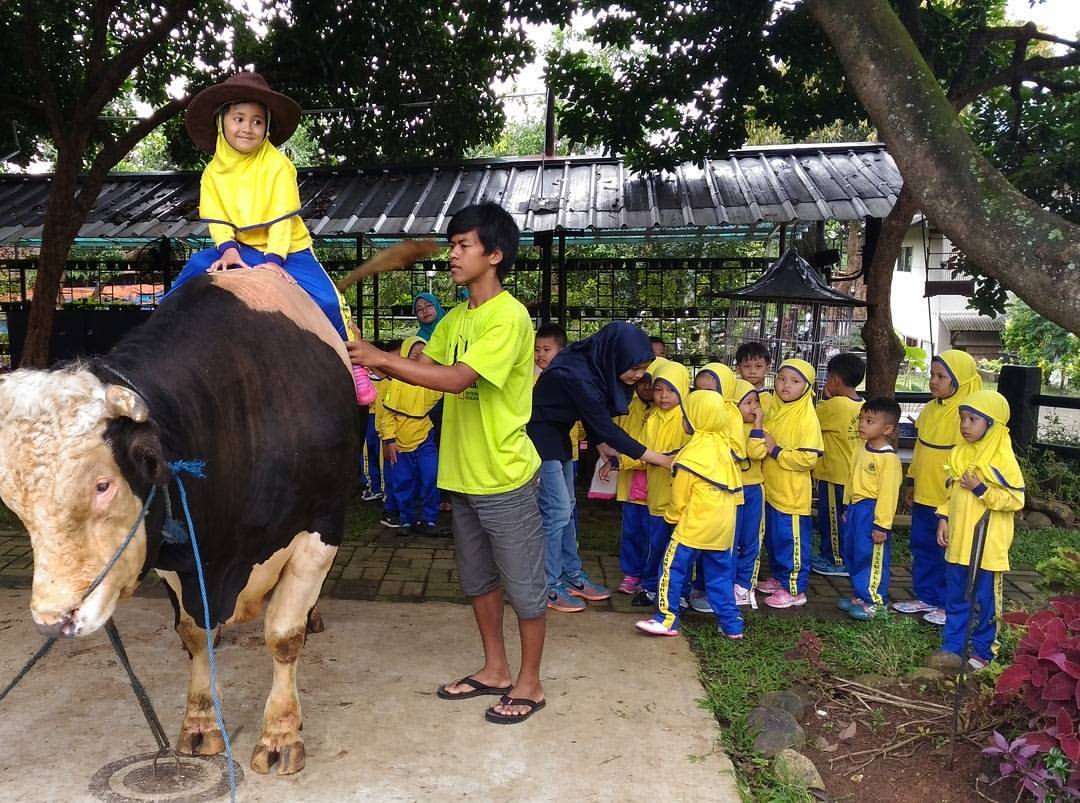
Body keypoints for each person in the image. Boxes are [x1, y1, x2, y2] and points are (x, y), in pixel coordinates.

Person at [347, 202, 546, 725]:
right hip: (460, 474)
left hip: (504, 474)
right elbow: (421, 371)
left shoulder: (510, 317)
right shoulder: (455, 317)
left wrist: (379, 358)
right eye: (451, 245)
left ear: (495, 255)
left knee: (524, 585)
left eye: (464, 246)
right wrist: (359, 350)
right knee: (479, 582)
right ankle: (496, 670)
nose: (453, 255)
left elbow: (458, 379)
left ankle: (530, 683)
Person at [169, 72, 358, 375]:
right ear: (222, 122)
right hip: (239, 248)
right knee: (187, 277)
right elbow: (219, 220)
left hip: (289, 250)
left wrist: (274, 261)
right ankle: (158, 337)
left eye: (257, 122)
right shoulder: (212, 173)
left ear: (267, 128)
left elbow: (282, 222)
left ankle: (354, 364)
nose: (247, 128)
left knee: (328, 300)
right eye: (239, 119)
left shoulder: (278, 166)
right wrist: (228, 251)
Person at [529, 322, 672, 612]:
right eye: (635, 367)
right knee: (556, 512)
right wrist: (662, 459)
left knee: (567, 509)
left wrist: (601, 446)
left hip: (558, 433)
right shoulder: (577, 374)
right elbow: (605, 426)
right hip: (537, 436)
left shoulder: (593, 364)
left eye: (644, 367)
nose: (639, 375)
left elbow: (588, 414)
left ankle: (571, 575)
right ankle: (548, 585)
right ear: (617, 356)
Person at [928, 390, 1024, 672]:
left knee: (986, 602)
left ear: (992, 424)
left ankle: (984, 651)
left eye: (973, 419)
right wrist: (944, 518)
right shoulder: (959, 453)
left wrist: (982, 490)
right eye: (962, 418)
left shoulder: (1001, 459)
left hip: (987, 547)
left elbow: (1016, 499)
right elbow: (951, 492)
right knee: (956, 597)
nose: (965, 425)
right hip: (959, 544)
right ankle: (952, 648)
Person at [635, 391, 744, 639]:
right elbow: (736, 490)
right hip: (722, 529)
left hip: (693, 527)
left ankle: (666, 619)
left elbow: (680, 497)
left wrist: (672, 520)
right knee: (720, 577)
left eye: (686, 415)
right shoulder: (724, 448)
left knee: (672, 570)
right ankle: (731, 624)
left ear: (696, 418)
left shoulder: (690, 455)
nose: (683, 420)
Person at [894, 350, 982, 626]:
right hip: (924, 493)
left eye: (941, 377)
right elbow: (922, 450)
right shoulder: (930, 409)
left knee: (950, 550)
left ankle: (949, 603)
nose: (933, 382)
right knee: (923, 546)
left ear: (961, 379)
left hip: (951, 498)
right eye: (932, 375)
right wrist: (912, 481)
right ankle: (926, 596)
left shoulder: (969, 415)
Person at [621, 360, 691, 608]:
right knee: (655, 545)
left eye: (671, 390)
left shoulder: (687, 419)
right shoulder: (651, 419)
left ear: (683, 389)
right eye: (659, 389)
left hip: (681, 500)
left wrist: (657, 457)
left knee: (681, 549)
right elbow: (640, 451)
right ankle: (651, 587)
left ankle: (680, 592)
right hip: (656, 497)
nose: (663, 396)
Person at [758, 358, 824, 609]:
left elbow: (809, 457)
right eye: (782, 378)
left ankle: (795, 589)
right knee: (774, 539)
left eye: (795, 381)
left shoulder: (806, 417)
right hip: (772, 490)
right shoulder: (775, 408)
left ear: (807, 387)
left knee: (792, 541)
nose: (786, 386)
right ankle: (780, 578)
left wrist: (776, 451)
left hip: (792, 494)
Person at [685, 362, 747, 613]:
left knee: (722, 548)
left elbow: (738, 451)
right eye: (698, 391)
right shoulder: (696, 412)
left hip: (725, 495)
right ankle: (700, 586)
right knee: (700, 543)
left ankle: (717, 595)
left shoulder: (730, 414)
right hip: (700, 494)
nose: (703, 398)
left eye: (710, 392)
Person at [837, 397, 903, 620]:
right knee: (854, 552)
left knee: (871, 556)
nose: (862, 425)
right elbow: (851, 478)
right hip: (856, 508)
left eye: (869, 421)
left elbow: (889, 494)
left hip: (873, 512)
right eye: (862, 419)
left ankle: (875, 601)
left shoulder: (889, 460)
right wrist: (847, 505)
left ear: (887, 429)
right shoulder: (860, 448)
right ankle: (860, 595)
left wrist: (881, 525)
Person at [381, 337, 443, 536]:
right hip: (399, 443)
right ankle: (406, 519)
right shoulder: (396, 383)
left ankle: (429, 519)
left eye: (422, 352)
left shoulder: (430, 381)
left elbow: (442, 389)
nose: (417, 354)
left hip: (424, 438)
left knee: (430, 476)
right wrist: (389, 440)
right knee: (402, 482)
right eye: (413, 351)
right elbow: (387, 415)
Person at [811, 353, 865, 577]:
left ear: (834, 379)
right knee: (845, 519)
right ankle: (843, 555)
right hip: (852, 474)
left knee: (831, 519)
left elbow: (812, 419)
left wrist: (825, 399)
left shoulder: (834, 406)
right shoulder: (862, 403)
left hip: (834, 474)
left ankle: (835, 559)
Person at [612, 369, 655, 595]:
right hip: (631, 486)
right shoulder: (628, 406)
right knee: (631, 532)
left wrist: (623, 461)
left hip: (655, 488)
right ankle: (631, 574)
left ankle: (649, 576)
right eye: (642, 384)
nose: (647, 389)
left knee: (652, 534)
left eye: (652, 385)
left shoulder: (665, 413)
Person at [732, 379, 767, 606]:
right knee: (730, 539)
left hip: (754, 489)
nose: (753, 408)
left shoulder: (758, 428)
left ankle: (744, 584)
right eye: (747, 402)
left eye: (756, 402)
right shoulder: (730, 429)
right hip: (733, 490)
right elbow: (752, 451)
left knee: (750, 539)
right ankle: (726, 581)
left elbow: (757, 452)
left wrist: (758, 425)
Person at [736, 341, 773, 414]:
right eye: (747, 366)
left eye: (758, 366)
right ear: (738, 369)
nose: (752, 371)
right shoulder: (732, 395)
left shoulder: (770, 400)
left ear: (767, 369)